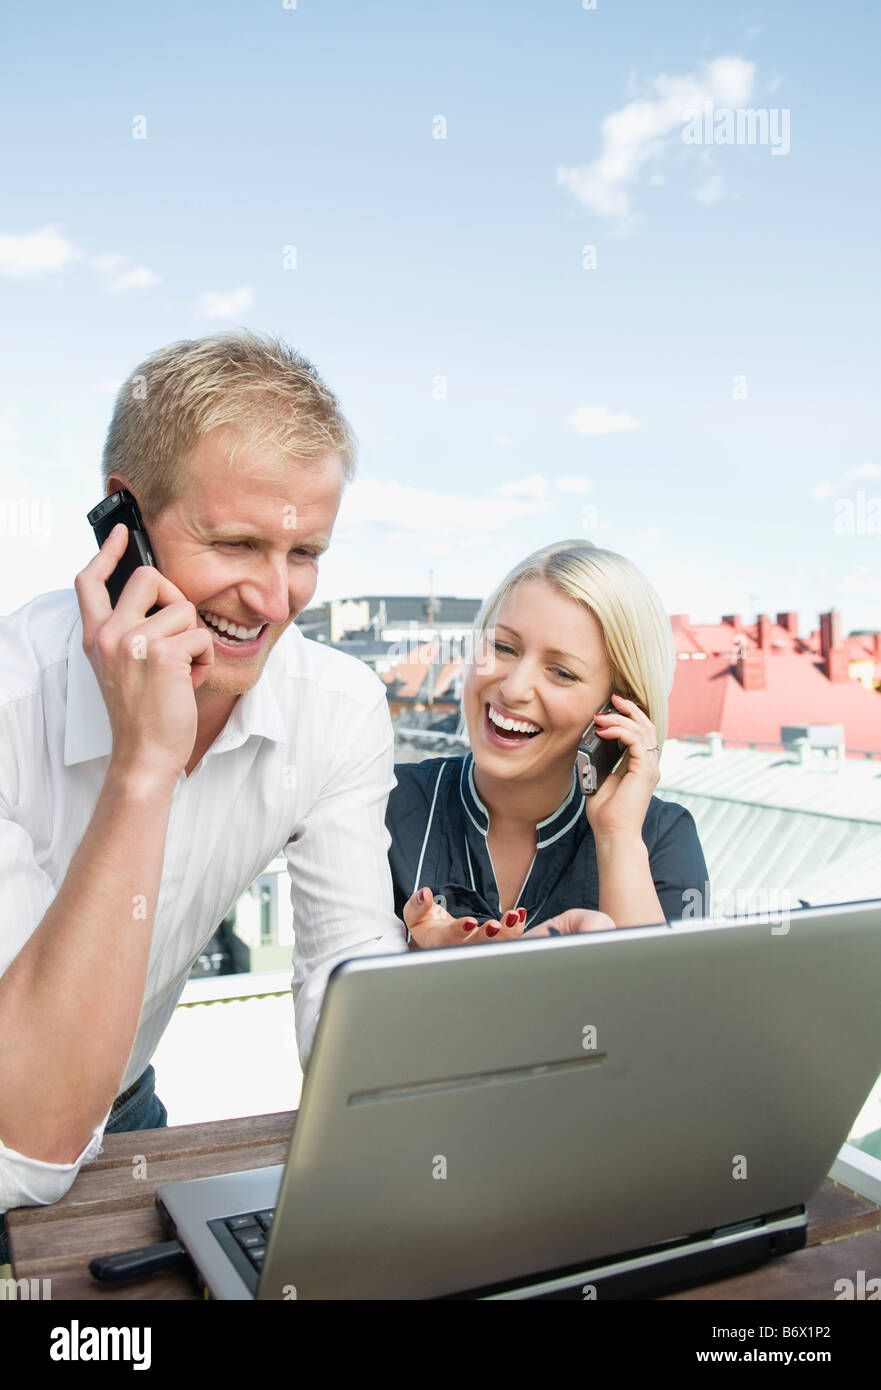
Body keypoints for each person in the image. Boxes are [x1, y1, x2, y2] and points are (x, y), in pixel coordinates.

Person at [0, 331, 410, 1262]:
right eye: (235, 544)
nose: (273, 599)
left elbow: (347, 988)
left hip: (122, 1091)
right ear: (122, 522)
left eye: (304, 551)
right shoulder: (9, 701)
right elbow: (24, 1143)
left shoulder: (336, 710)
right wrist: (145, 764)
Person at [386, 540, 710, 948]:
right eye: (503, 647)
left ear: (618, 709)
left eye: (561, 672)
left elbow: (658, 1007)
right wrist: (418, 961)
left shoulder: (660, 838)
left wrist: (618, 839)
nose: (513, 687)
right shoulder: (386, 804)